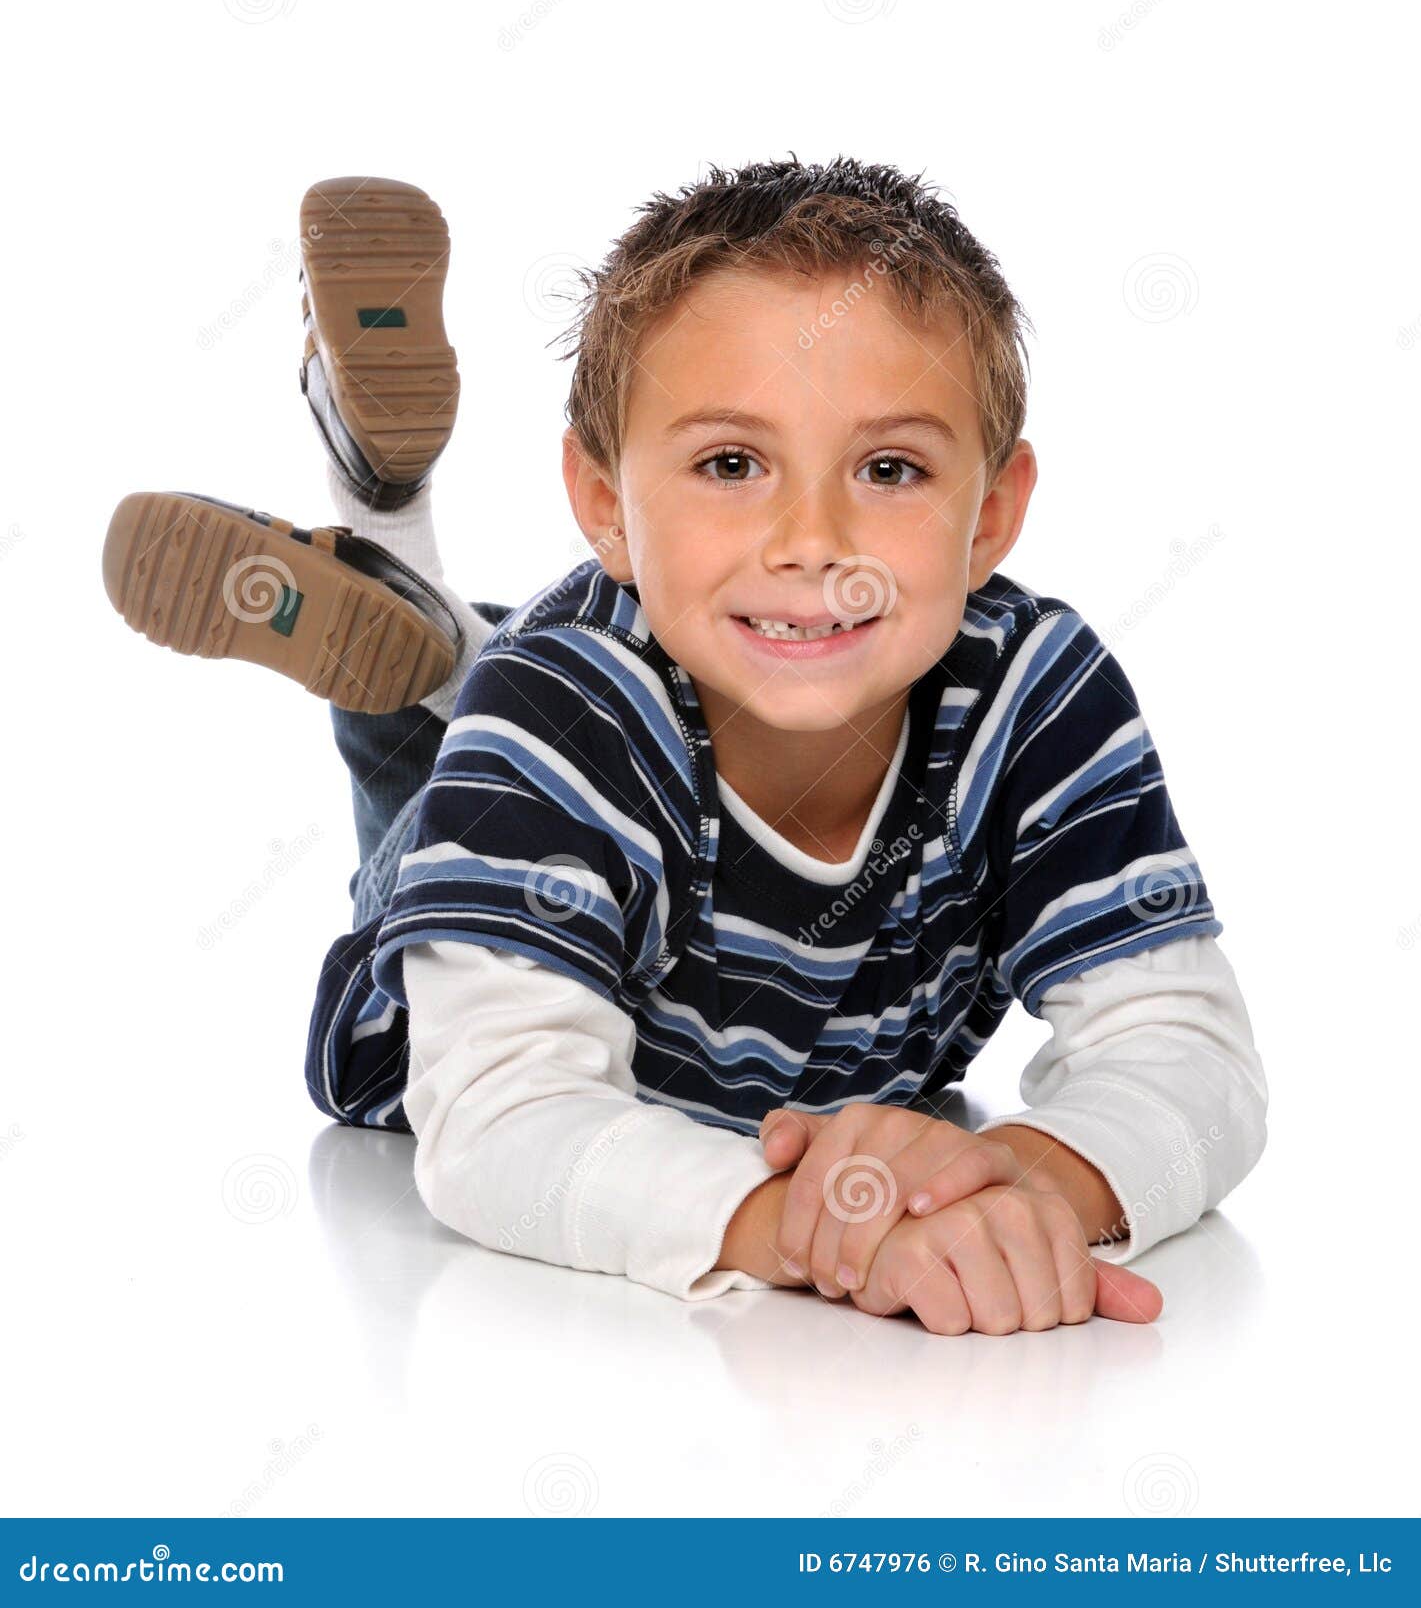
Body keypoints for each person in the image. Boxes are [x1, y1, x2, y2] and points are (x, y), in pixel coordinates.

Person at [102, 159, 1267, 1335]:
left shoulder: (1032, 693)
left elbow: (1186, 1049)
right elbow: (500, 1117)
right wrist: (805, 1221)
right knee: (462, 770)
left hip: (643, 692)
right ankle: (395, 545)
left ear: (994, 514)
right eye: (729, 464)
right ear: (602, 501)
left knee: (537, 694)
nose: (811, 539)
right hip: (492, 892)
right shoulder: (565, 716)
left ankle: (433, 617)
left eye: (889, 469)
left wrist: (1020, 1180)